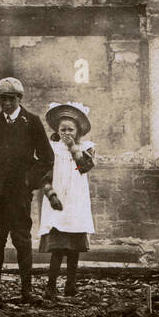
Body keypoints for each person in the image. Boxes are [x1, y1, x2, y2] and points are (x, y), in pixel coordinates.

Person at [0, 77, 54, 305]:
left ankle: (26, 291)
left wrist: (29, 181)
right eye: (2, 99)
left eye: (10, 99)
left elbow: (47, 158)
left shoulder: (31, 122)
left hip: (18, 195)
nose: (6, 103)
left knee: (21, 240)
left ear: (19, 99)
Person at [39, 102, 96, 300]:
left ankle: (71, 285)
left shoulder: (86, 148)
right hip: (58, 202)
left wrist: (73, 148)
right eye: (62, 129)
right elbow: (43, 176)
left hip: (76, 203)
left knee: (73, 248)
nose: (66, 133)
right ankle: (51, 286)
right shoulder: (51, 149)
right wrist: (51, 194)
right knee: (58, 248)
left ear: (78, 130)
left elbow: (83, 167)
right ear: (57, 130)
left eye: (71, 129)